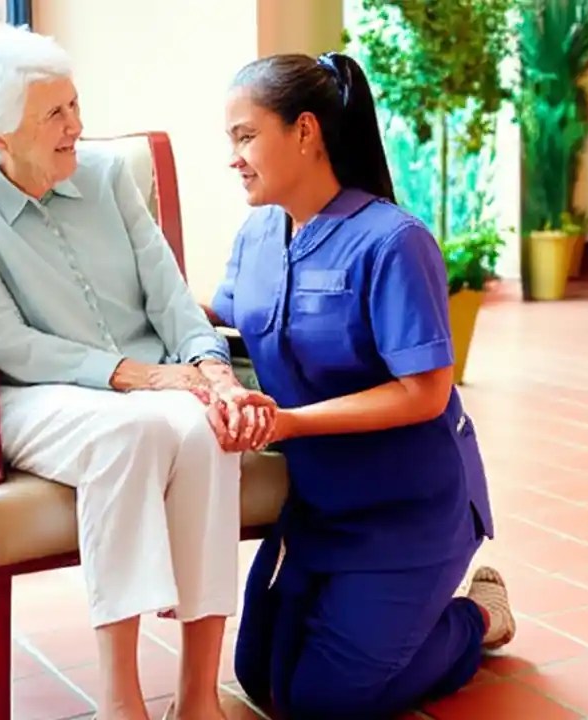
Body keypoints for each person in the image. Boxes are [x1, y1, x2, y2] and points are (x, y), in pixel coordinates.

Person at [0, 25, 272, 720]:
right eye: (54, 114)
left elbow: (172, 297)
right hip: (33, 398)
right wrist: (138, 375)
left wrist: (210, 370)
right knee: (133, 432)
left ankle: (198, 696)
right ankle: (120, 698)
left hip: (154, 390)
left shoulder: (108, 176)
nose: (77, 126)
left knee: (204, 432)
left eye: (75, 105)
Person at [207, 52, 516, 720]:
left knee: (323, 702)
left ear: (306, 132)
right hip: (320, 507)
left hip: (409, 510)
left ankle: (475, 620)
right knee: (258, 675)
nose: (233, 157)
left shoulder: (393, 241)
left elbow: (423, 393)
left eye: (244, 136)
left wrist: (287, 424)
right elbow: (219, 313)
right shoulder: (259, 232)